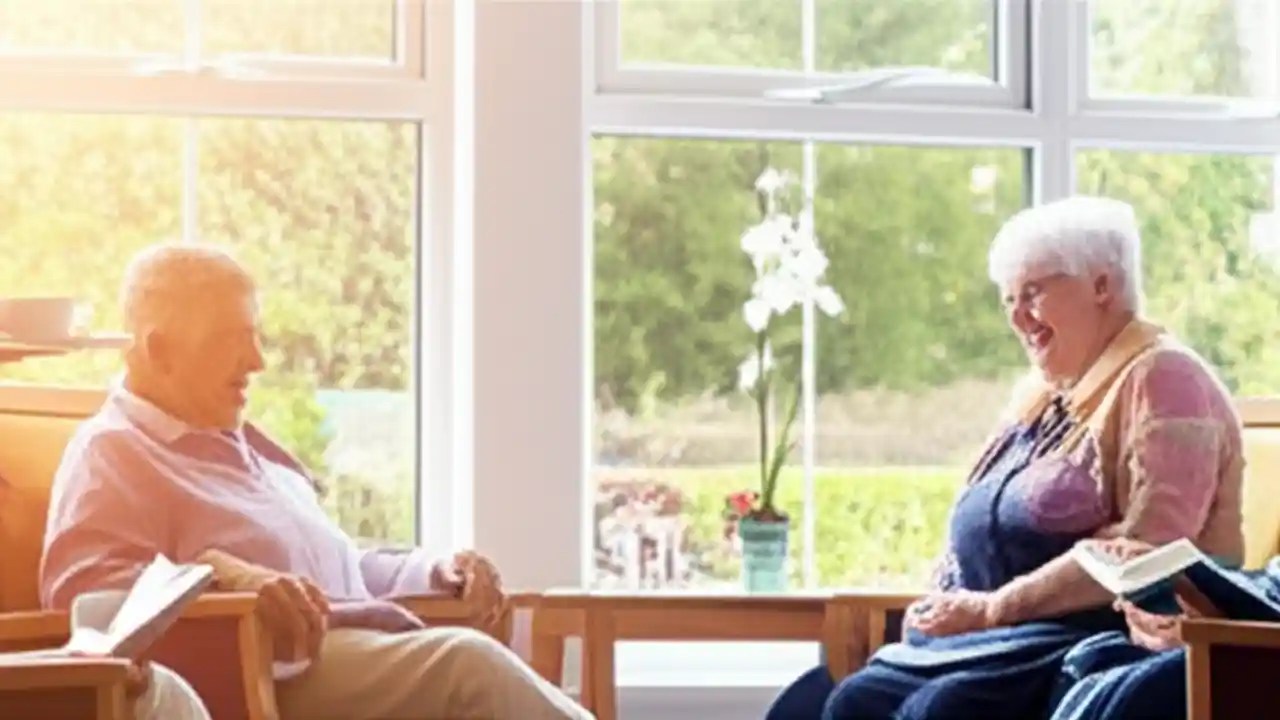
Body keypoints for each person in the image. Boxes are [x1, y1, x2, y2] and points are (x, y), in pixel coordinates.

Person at [39, 244, 592, 720]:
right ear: (158, 349)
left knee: (477, 657)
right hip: (264, 673)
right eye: (230, 338)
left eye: (255, 336)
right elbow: (82, 597)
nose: (255, 360)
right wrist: (223, 578)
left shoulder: (245, 446)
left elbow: (340, 567)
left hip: (343, 647)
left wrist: (437, 571)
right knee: (469, 666)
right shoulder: (112, 451)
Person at [766, 196, 1245, 720]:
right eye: (1008, 299)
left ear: (1101, 286)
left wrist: (994, 609)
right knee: (813, 703)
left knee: (920, 708)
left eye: (1033, 292)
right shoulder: (1042, 390)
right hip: (999, 633)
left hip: (1081, 632)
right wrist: (940, 599)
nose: (1018, 317)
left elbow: (1146, 555)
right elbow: (976, 514)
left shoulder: (1165, 379)